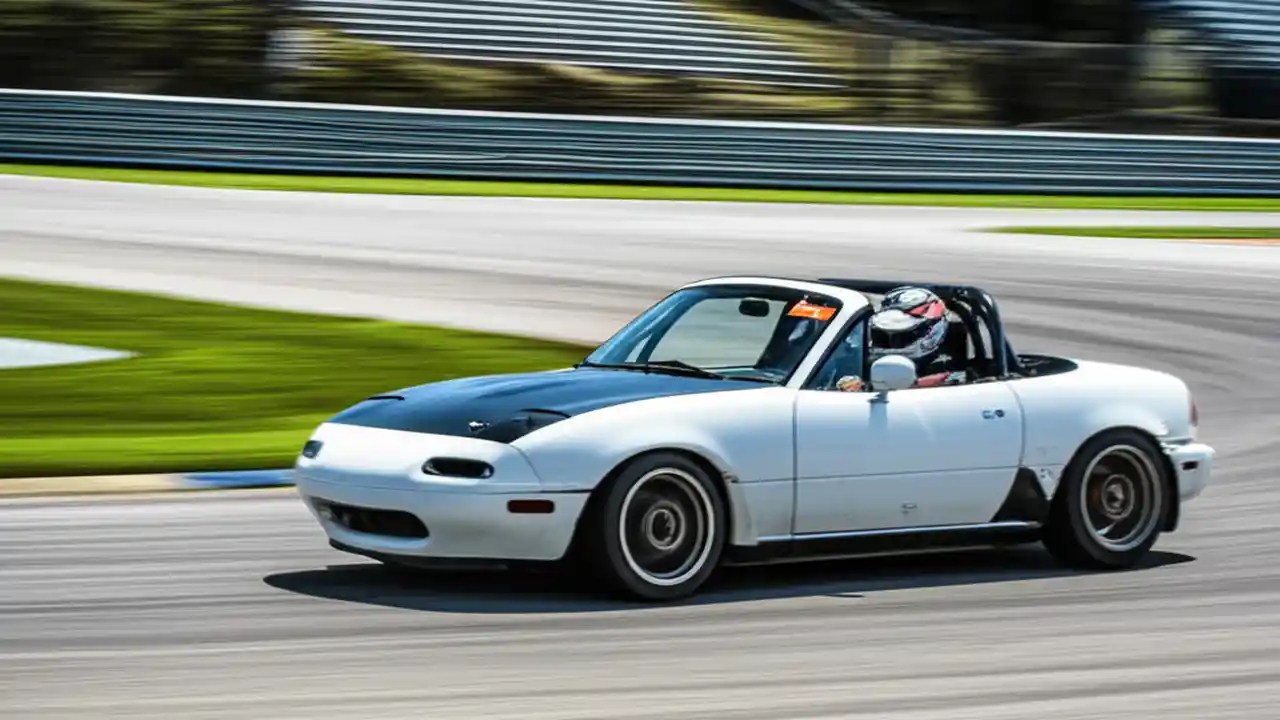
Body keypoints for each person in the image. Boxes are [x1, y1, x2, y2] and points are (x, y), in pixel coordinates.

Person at [836, 286, 966, 391]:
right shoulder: (855, 360)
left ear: (930, 332)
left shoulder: (949, 375)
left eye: (901, 336)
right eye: (882, 335)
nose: (890, 342)